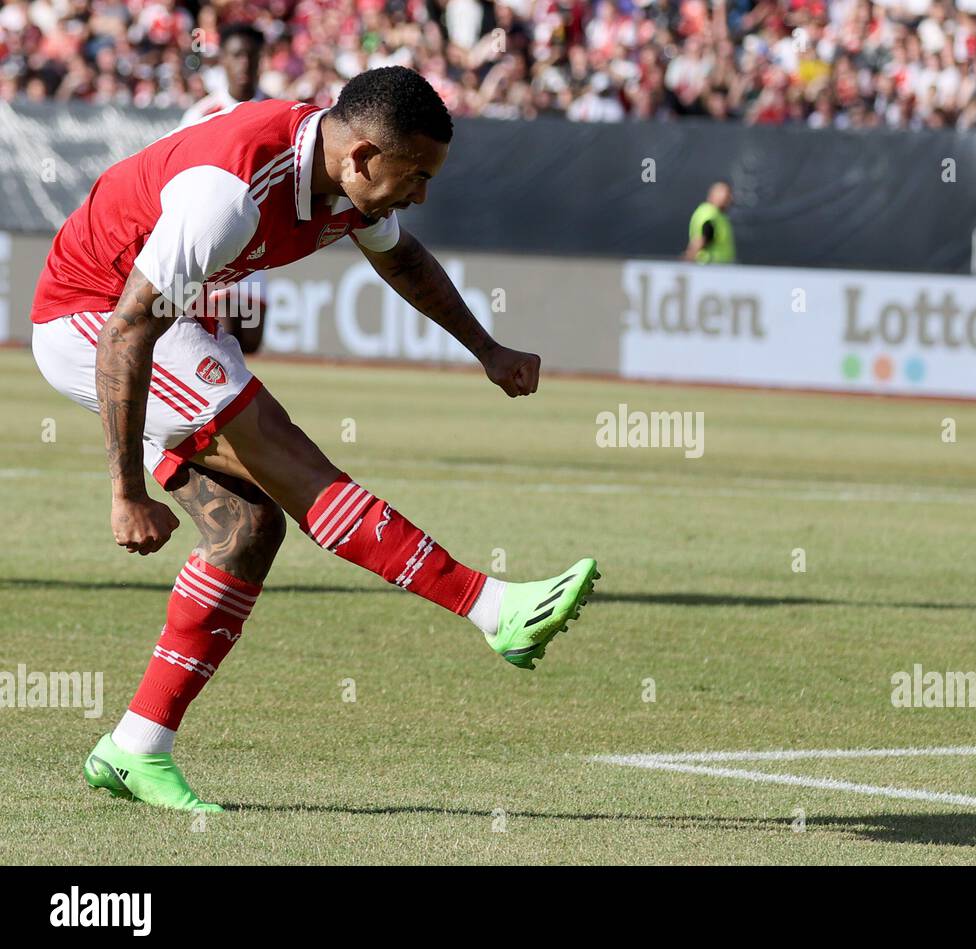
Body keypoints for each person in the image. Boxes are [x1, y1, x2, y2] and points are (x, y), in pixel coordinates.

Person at [29, 66, 599, 813]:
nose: (420, 194)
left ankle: (135, 748)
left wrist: (485, 348)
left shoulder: (341, 174)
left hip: (162, 321)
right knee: (287, 458)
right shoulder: (228, 194)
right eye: (415, 175)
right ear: (361, 156)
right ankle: (492, 608)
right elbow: (128, 327)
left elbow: (403, 259)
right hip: (93, 321)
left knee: (251, 528)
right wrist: (125, 493)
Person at [178, 23, 272, 356]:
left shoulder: (274, 112)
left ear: (262, 61)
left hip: (258, 240)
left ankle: (233, 398)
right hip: (214, 237)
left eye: (252, 56)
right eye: (237, 55)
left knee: (250, 341)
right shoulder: (201, 115)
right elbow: (176, 172)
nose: (244, 63)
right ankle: (228, 403)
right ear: (224, 62)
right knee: (223, 328)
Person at [682, 181, 736, 264]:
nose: (729, 199)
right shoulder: (710, 214)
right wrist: (687, 262)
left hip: (719, 270)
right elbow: (700, 240)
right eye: (726, 196)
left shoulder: (717, 215)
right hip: (710, 269)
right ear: (714, 195)